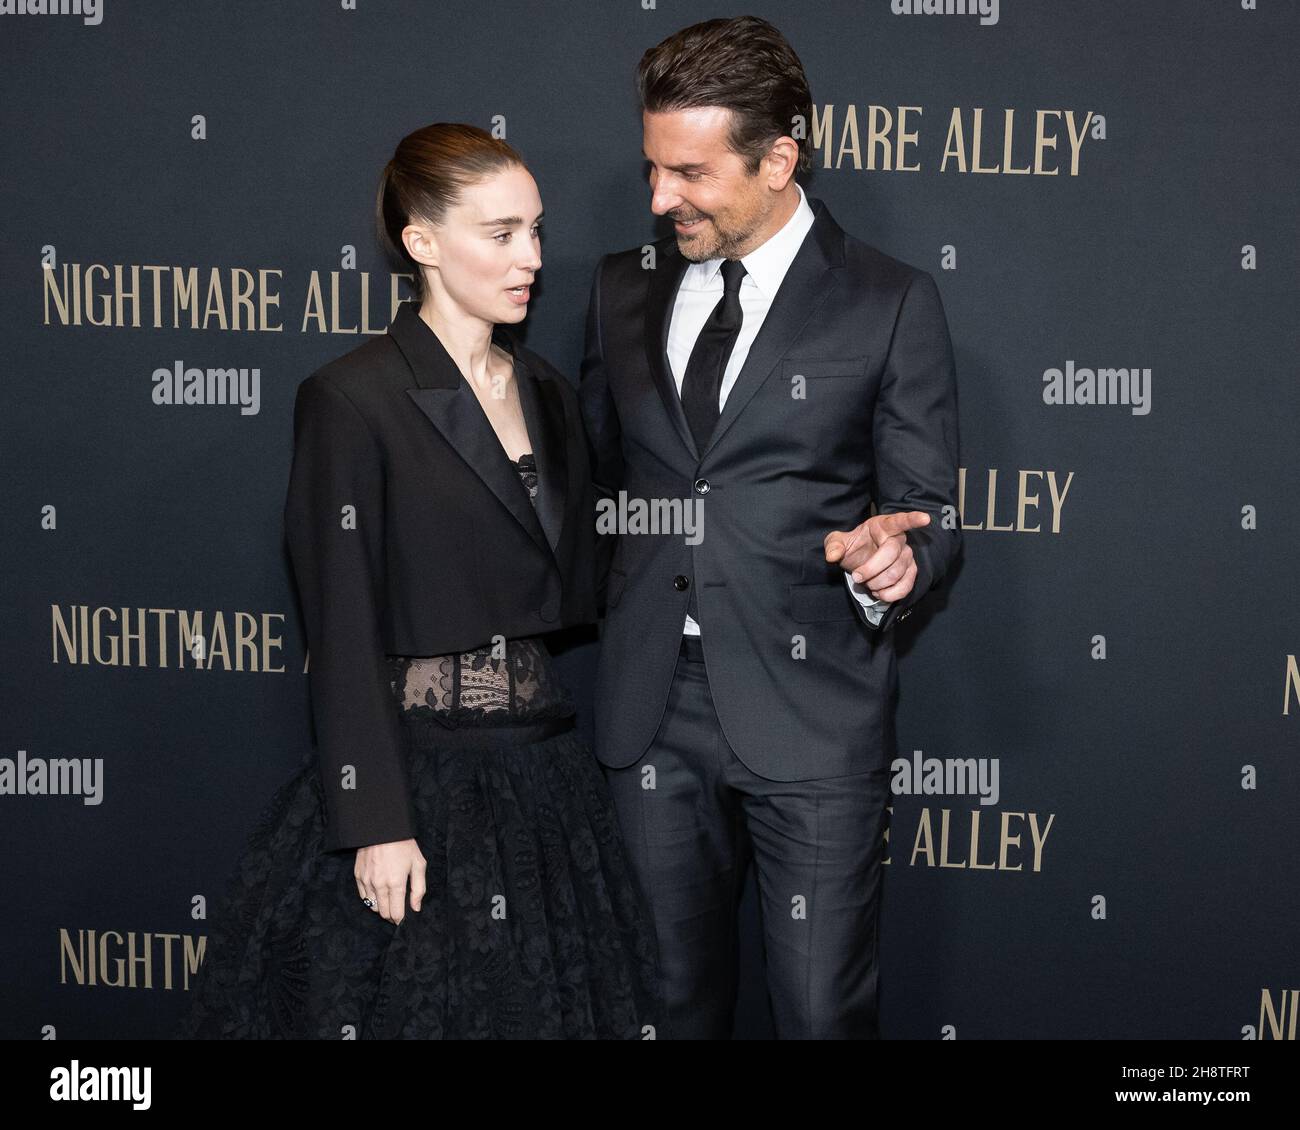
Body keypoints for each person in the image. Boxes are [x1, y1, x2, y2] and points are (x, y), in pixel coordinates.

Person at [177, 123, 661, 1040]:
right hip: (418, 778)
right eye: (502, 233)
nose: (532, 259)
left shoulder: (551, 392)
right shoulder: (352, 397)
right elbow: (341, 620)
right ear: (423, 242)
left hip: (546, 783)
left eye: (537, 231)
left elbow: (588, 573)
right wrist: (375, 822)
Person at [579, 16, 962, 1039]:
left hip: (811, 713)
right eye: (653, 168)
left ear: (778, 158)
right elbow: (593, 479)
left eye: (690, 173)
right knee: (661, 1008)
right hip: (650, 708)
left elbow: (931, 509)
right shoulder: (621, 288)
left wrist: (898, 555)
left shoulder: (888, 301)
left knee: (819, 1012)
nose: (660, 198)